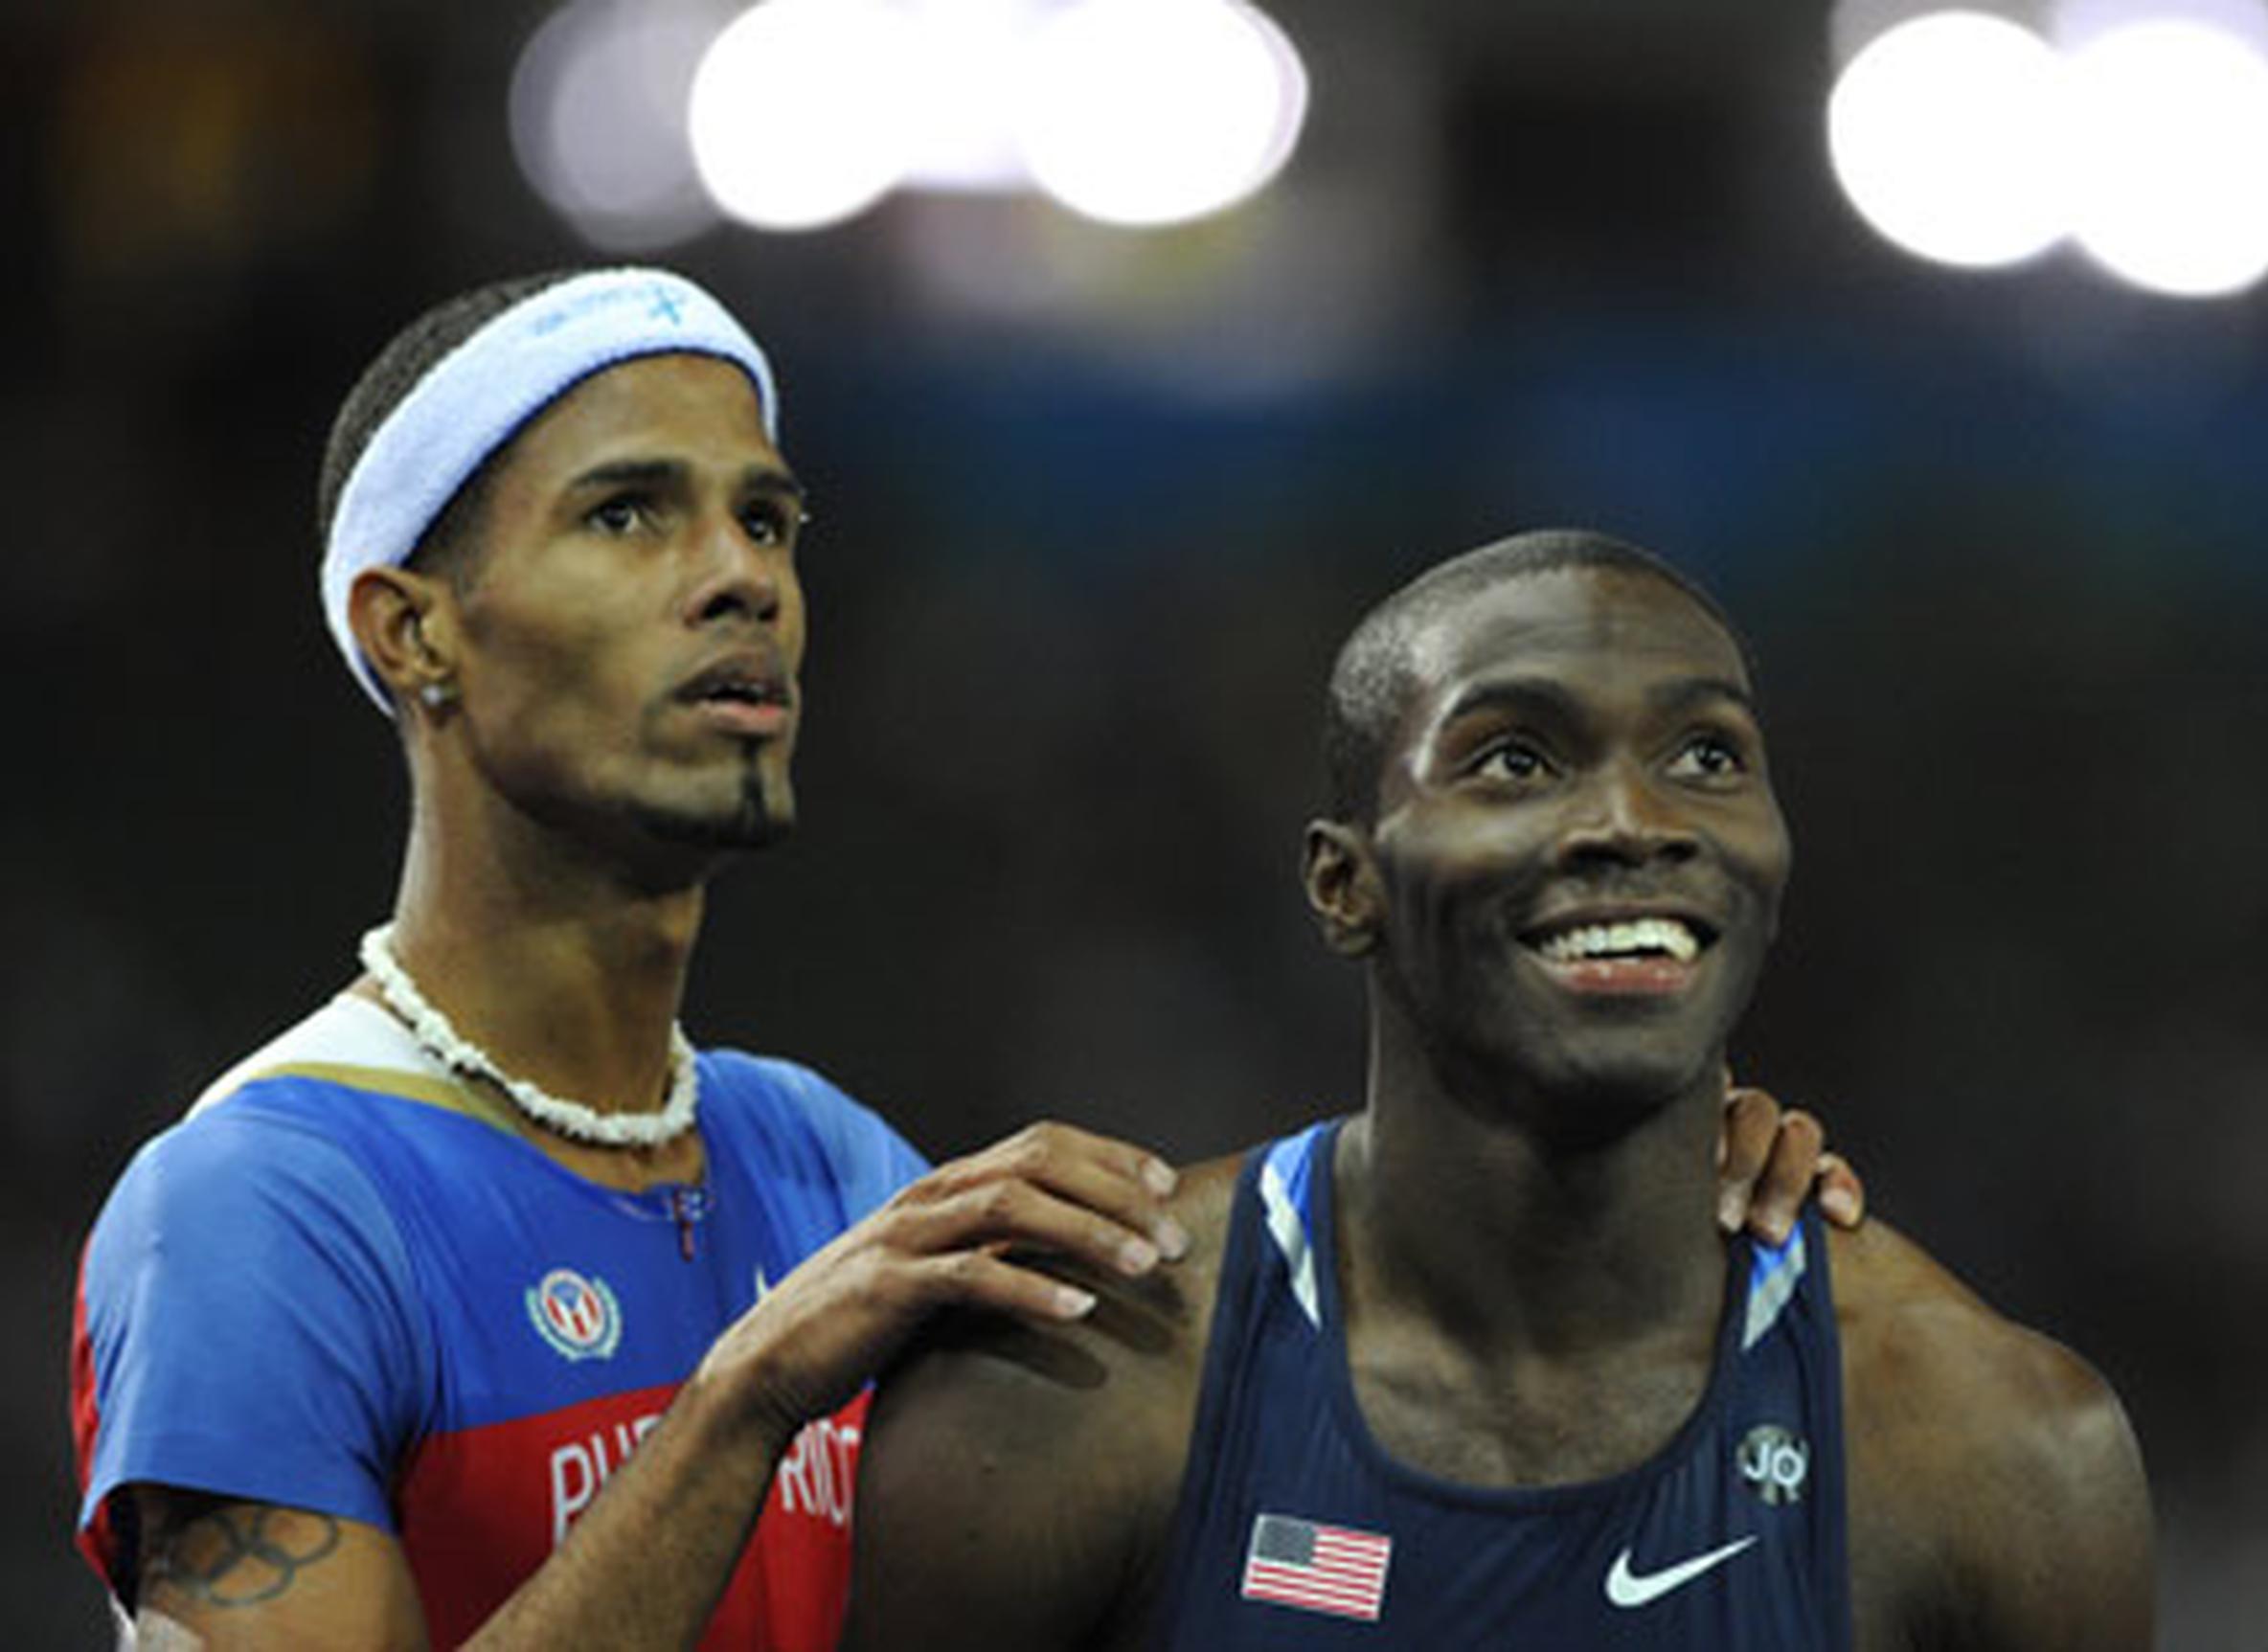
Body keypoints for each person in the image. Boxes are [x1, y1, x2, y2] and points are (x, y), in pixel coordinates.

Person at [68, 273, 1856, 1650]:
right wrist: (743, 1405)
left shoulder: (828, 1161)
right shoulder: (260, 1207)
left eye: (767, 522)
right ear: (413, 630)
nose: (741, 580)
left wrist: (1619, 1172)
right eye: (631, 516)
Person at [842, 529, 2155, 1649]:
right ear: (1342, 883)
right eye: (1518, 759)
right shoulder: (1071, 1394)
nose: (1637, 820)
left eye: (1707, 754)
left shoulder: (2001, 1454)